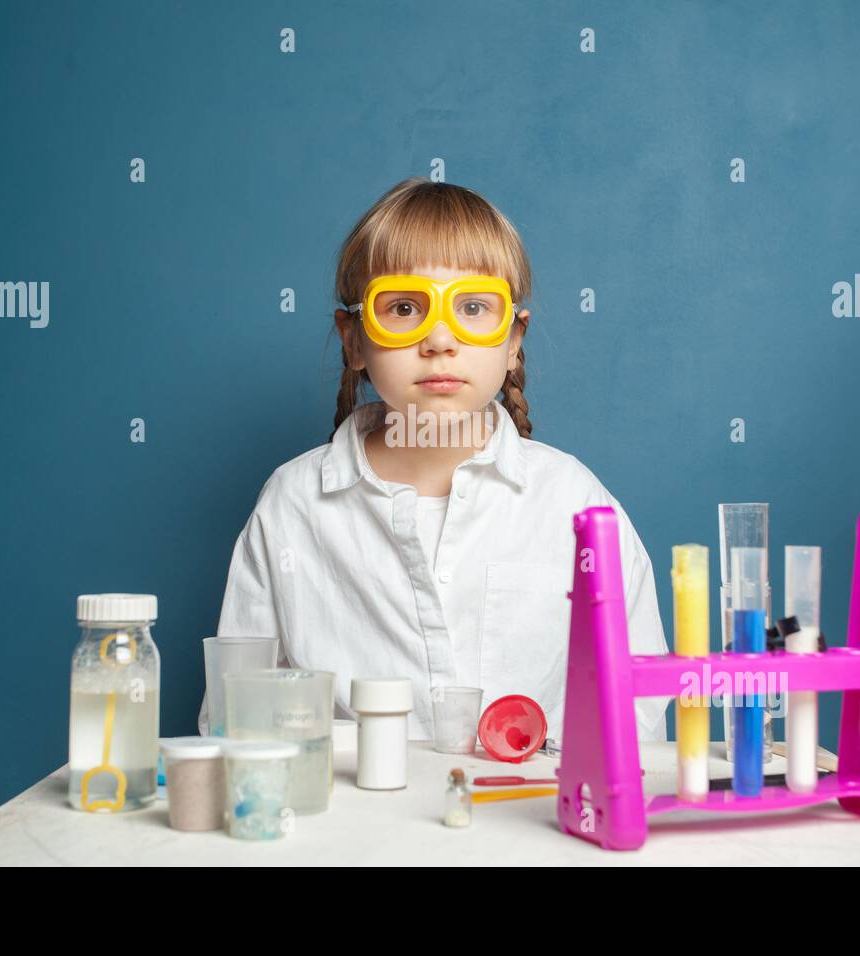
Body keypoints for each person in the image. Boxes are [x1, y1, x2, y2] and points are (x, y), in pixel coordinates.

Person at [198, 177, 670, 743]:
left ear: (513, 339)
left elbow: (636, 713)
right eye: (403, 307)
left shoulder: (572, 501)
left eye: (473, 307)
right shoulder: (293, 503)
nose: (440, 339)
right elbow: (239, 722)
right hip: (352, 825)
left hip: (531, 823)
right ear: (353, 340)